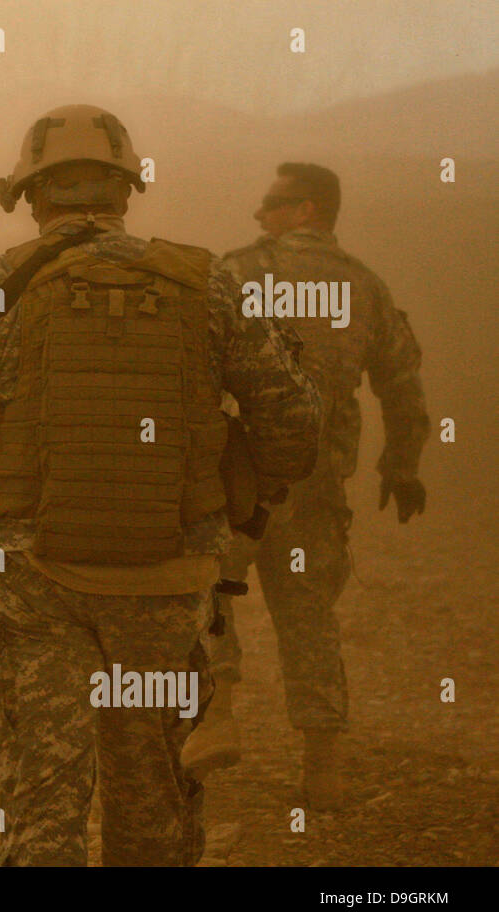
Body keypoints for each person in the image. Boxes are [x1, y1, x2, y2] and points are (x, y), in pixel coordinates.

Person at [0, 106, 322, 864]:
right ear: (125, 191)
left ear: (33, 196)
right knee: (152, 798)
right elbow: (295, 428)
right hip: (167, 582)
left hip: (35, 580)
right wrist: (237, 511)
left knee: (45, 803)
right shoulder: (209, 283)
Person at [185, 163, 430, 809]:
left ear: (307, 210)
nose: (259, 215)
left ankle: (217, 716)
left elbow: (188, 368)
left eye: (271, 203)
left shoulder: (236, 273)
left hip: (237, 484)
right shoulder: (366, 287)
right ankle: (325, 768)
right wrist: (401, 466)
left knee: (206, 592)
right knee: (310, 618)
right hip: (317, 487)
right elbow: (402, 385)